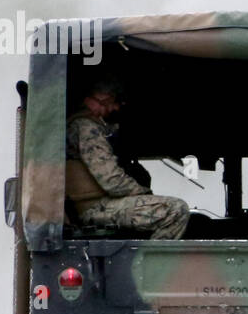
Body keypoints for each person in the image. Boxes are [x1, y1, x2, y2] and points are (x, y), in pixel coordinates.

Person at [65, 77, 189, 239]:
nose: (114, 108)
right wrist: (143, 193)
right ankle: (150, 257)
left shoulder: (82, 124)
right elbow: (112, 181)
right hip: (97, 207)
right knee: (176, 210)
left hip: (97, 205)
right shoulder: (86, 126)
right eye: (114, 102)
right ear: (104, 98)